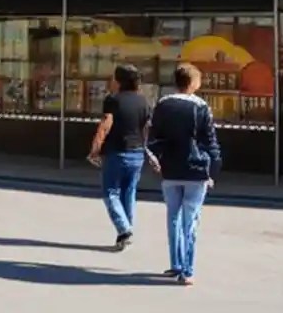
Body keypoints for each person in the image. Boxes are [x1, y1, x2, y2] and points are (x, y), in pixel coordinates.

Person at [148, 63, 221, 286]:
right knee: (191, 220)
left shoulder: (162, 104)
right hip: (195, 170)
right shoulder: (201, 107)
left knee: (173, 216)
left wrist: (156, 159)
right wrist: (213, 170)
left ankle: (176, 263)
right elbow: (210, 142)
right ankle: (187, 271)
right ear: (193, 83)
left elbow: (153, 138)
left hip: (170, 169)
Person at [88, 64, 153, 251]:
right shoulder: (144, 101)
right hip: (137, 153)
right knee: (129, 193)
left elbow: (105, 125)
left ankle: (124, 229)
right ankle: (125, 234)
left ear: (118, 81)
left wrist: (95, 148)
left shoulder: (113, 100)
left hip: (116, 152)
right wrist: (146, 149)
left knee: (110, 193)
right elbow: (146, 128)